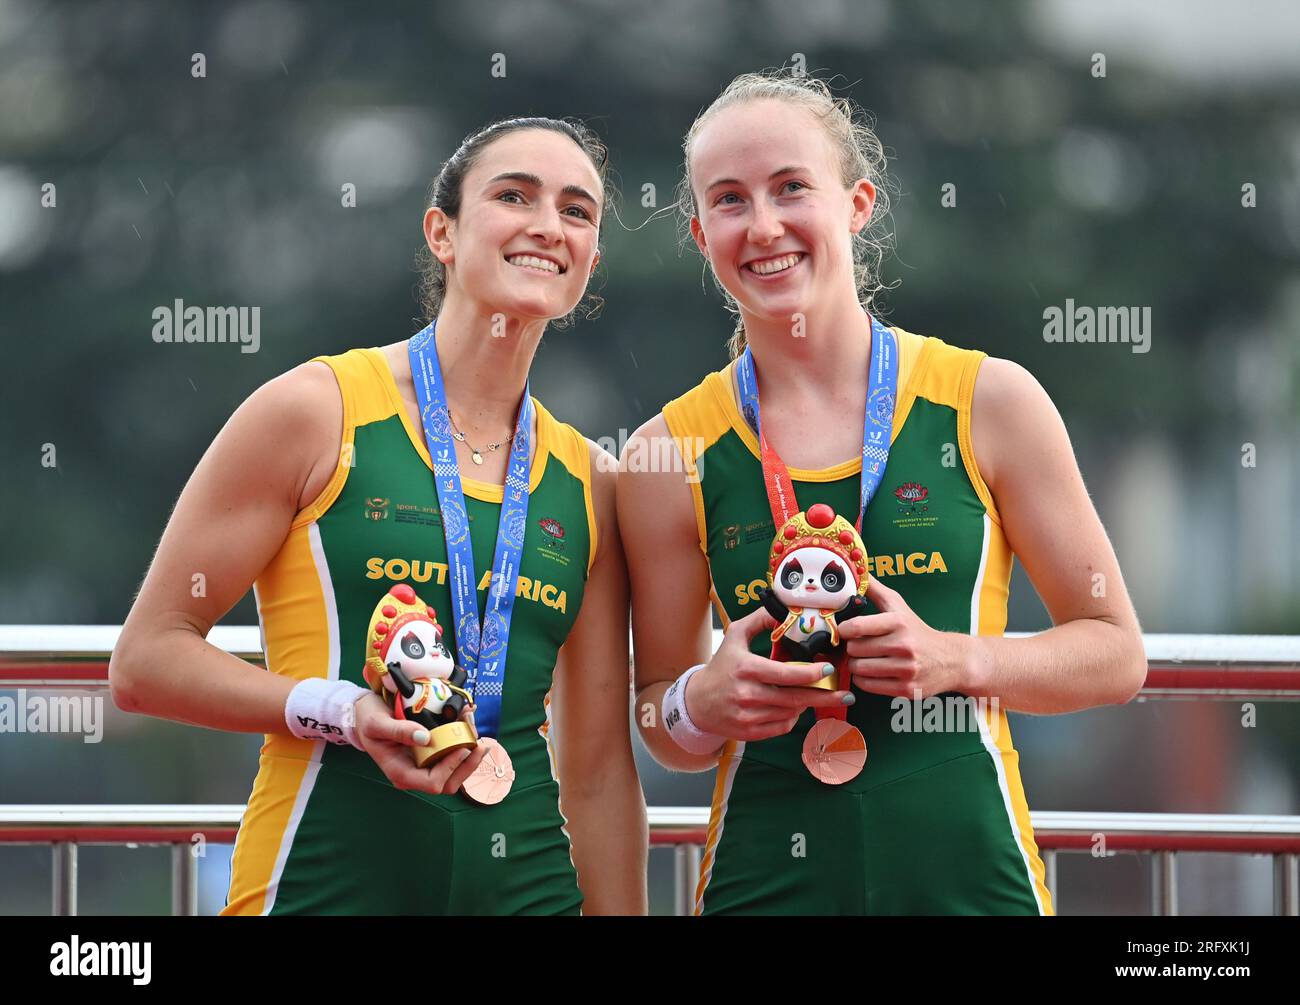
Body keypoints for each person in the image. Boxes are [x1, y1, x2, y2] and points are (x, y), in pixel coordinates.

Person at [618, 71, 1147, 915]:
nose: (763, 226)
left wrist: (959, 659)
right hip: (764, 882)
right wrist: (697, 699)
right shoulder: (662, 452)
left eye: (792, 187)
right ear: (699, 232)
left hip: (974, 883)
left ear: (857, 204)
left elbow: (1117, 653)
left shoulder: (991, 402)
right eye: (729, 200)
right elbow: (657, 723)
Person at [110, 117, 647, 915]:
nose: (547, 224)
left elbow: (600, 770)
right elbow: (145, 662)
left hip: (529, 892)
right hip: (321, 882)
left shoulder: (591, 477)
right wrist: (338, 711)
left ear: (589, 261)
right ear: (442, 231)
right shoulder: (313, 411)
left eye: (577, 210)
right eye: (513, 195)